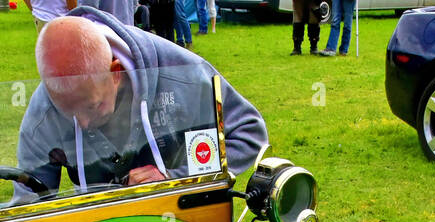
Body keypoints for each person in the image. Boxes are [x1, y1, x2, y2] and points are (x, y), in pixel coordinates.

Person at [20, 9, 266, 192]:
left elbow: (248, 131)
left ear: (115, 73)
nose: (82, 123)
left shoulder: (182, 74)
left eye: (91, 106)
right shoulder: (44, 108)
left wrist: (174, 177)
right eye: (68, 112)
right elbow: (30, 197)